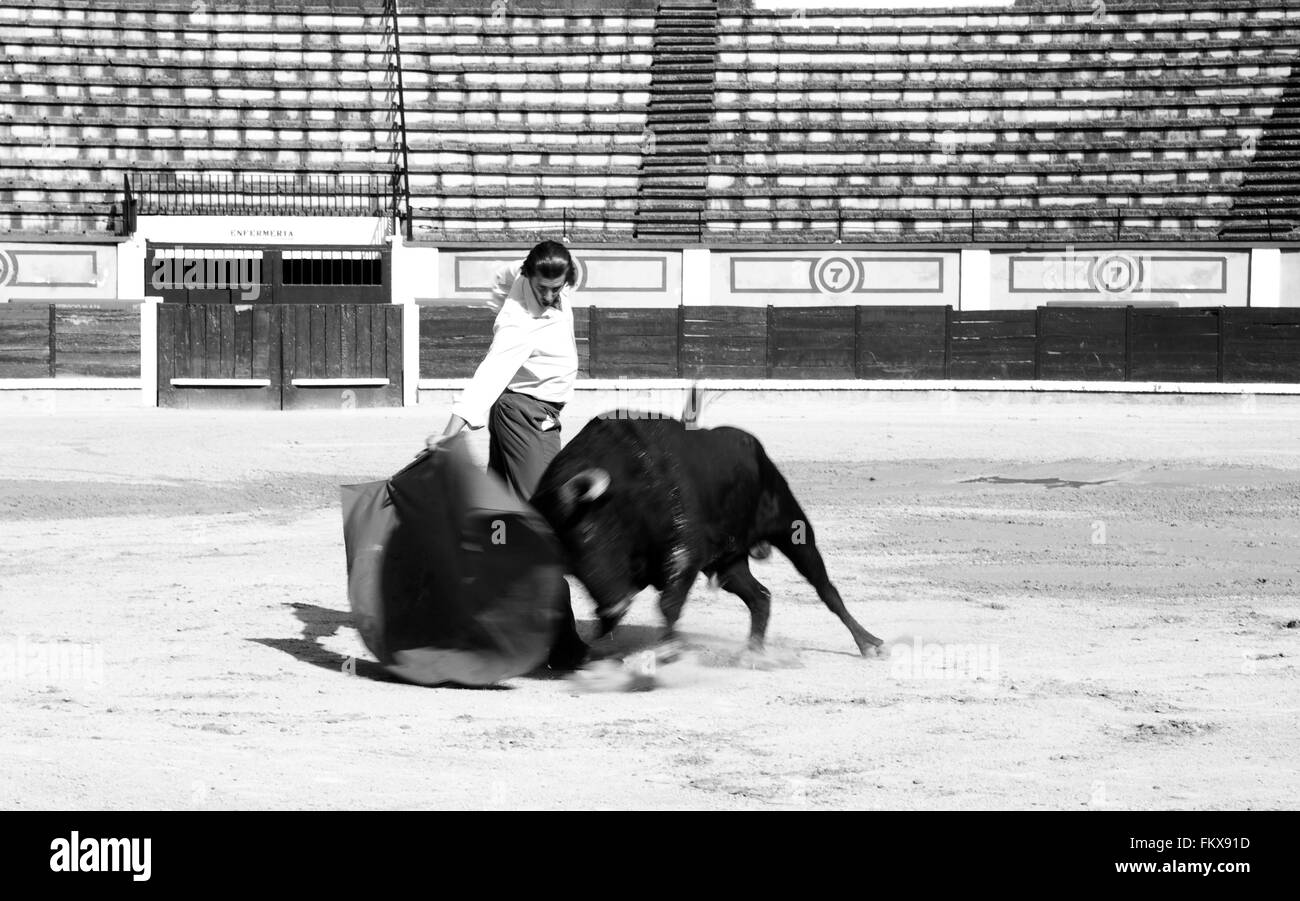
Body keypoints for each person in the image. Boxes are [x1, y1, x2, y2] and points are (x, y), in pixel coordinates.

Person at [426, 239, 587, 669]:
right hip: (526, 420)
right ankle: (564, 647)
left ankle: (485, 624)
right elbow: (489, 376)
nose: (551, 297)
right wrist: (451, 432)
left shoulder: (548, 282)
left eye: (557, 288)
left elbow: (552, 273)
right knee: (543, 528)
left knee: (504, 524)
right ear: (528, 276)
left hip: (537, 417)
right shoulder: (517, 321)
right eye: (543, 288)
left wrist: (561, 265)